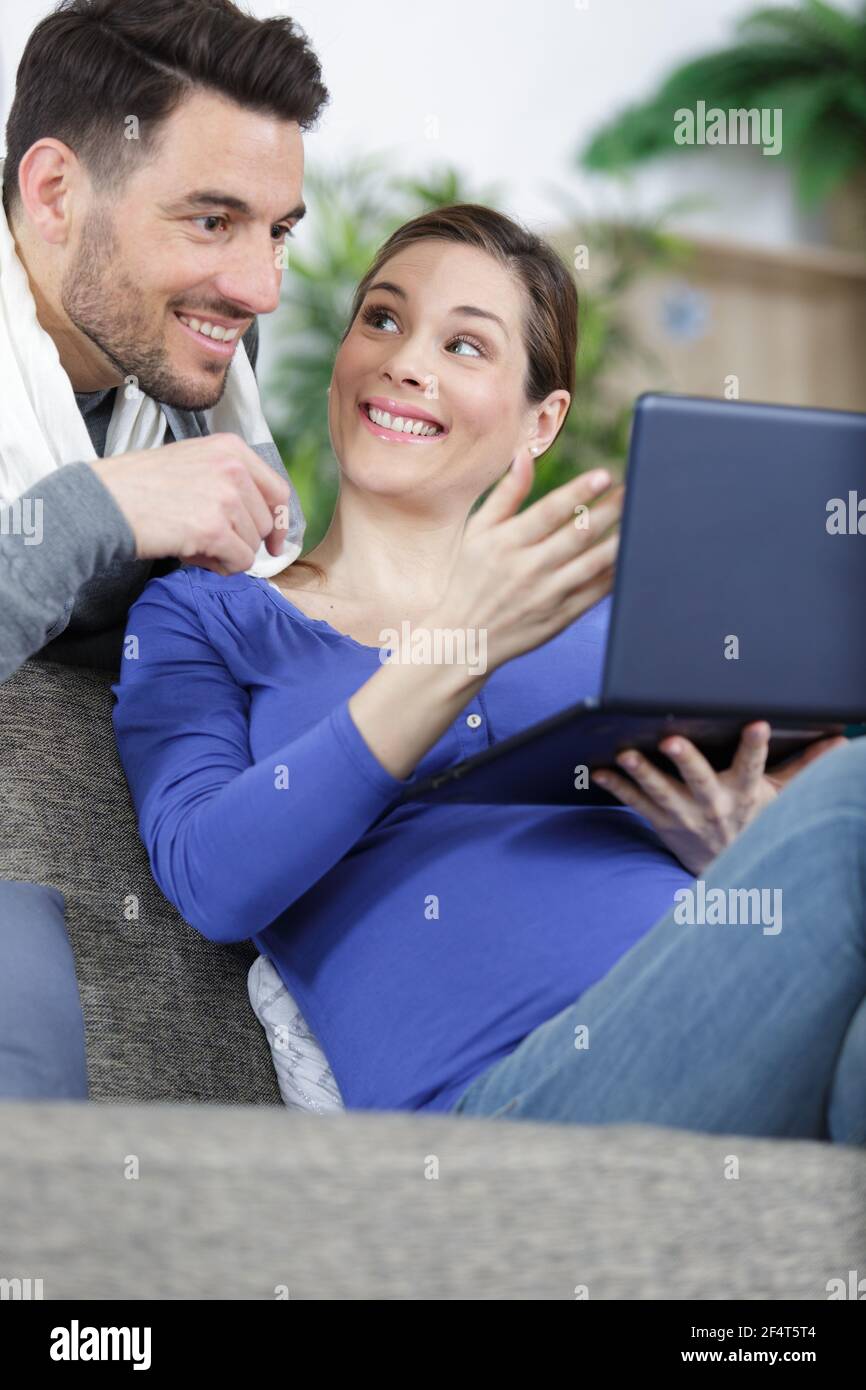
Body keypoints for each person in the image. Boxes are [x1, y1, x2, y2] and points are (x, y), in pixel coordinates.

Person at [112, 203, 864, 1144]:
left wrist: (744, 863)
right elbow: (210, 880)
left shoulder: (619, 616)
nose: (405, 361)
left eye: (466, 347)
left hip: (729, 1021)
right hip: (505, 1109)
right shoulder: (207, 615)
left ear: (539, 422)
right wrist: (454, 645)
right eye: (381, 319)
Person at [0, 0, 330, 1096]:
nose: (260, 288)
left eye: (276, 231)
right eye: (211, 220)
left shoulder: (186, 386)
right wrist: (98, 511)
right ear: (55, 193)